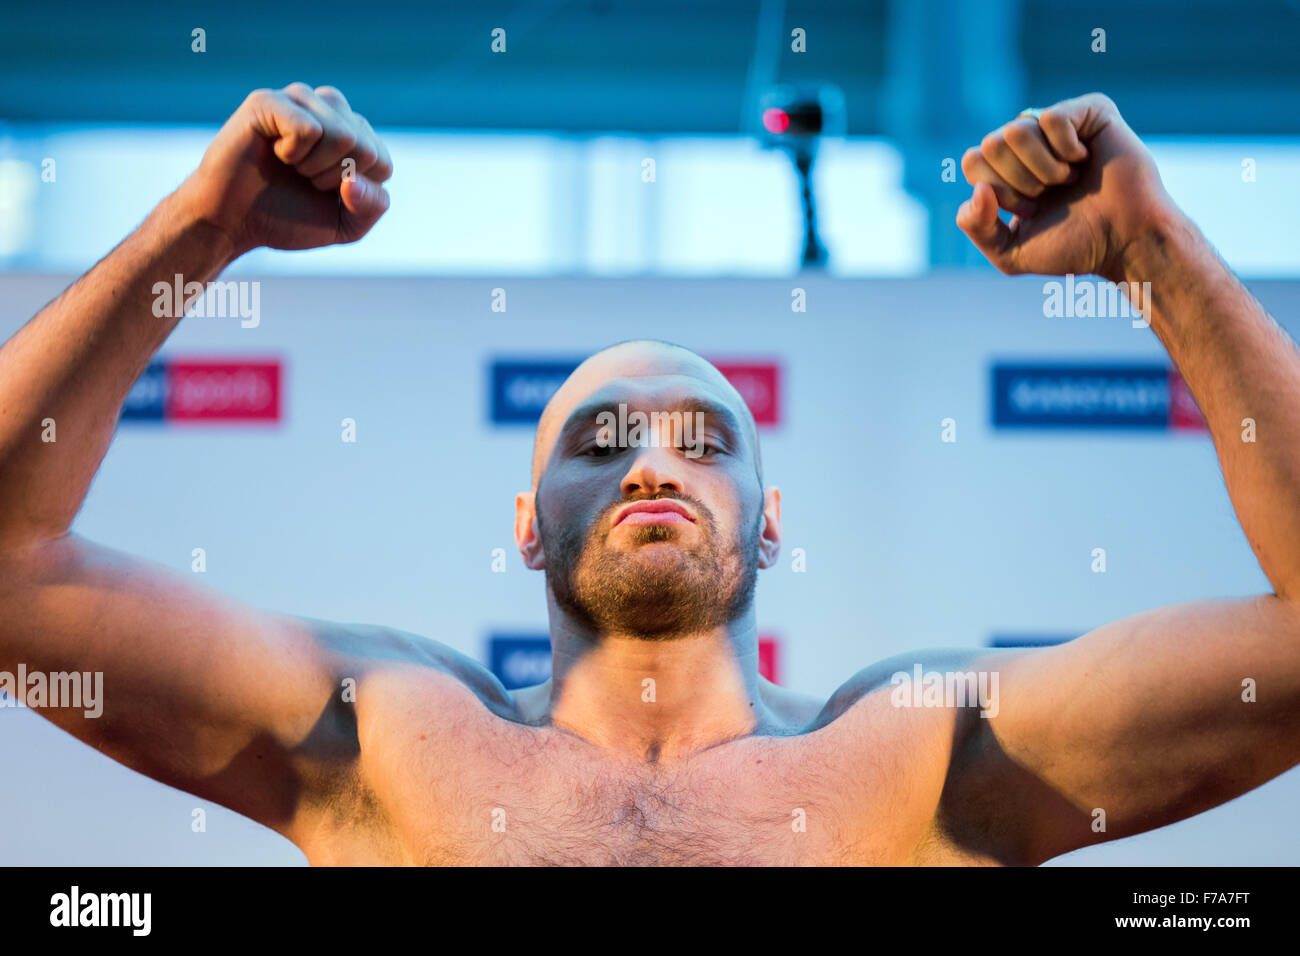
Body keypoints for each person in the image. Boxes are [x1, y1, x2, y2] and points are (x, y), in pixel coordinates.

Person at [2, 84, 1298, 865]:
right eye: (600, 440)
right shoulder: (386, 733)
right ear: (524, 524)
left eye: (705, 439)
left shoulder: (935, 747)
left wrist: (1157, 251)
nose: (654, 464)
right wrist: (202, 226)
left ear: (772, 523)